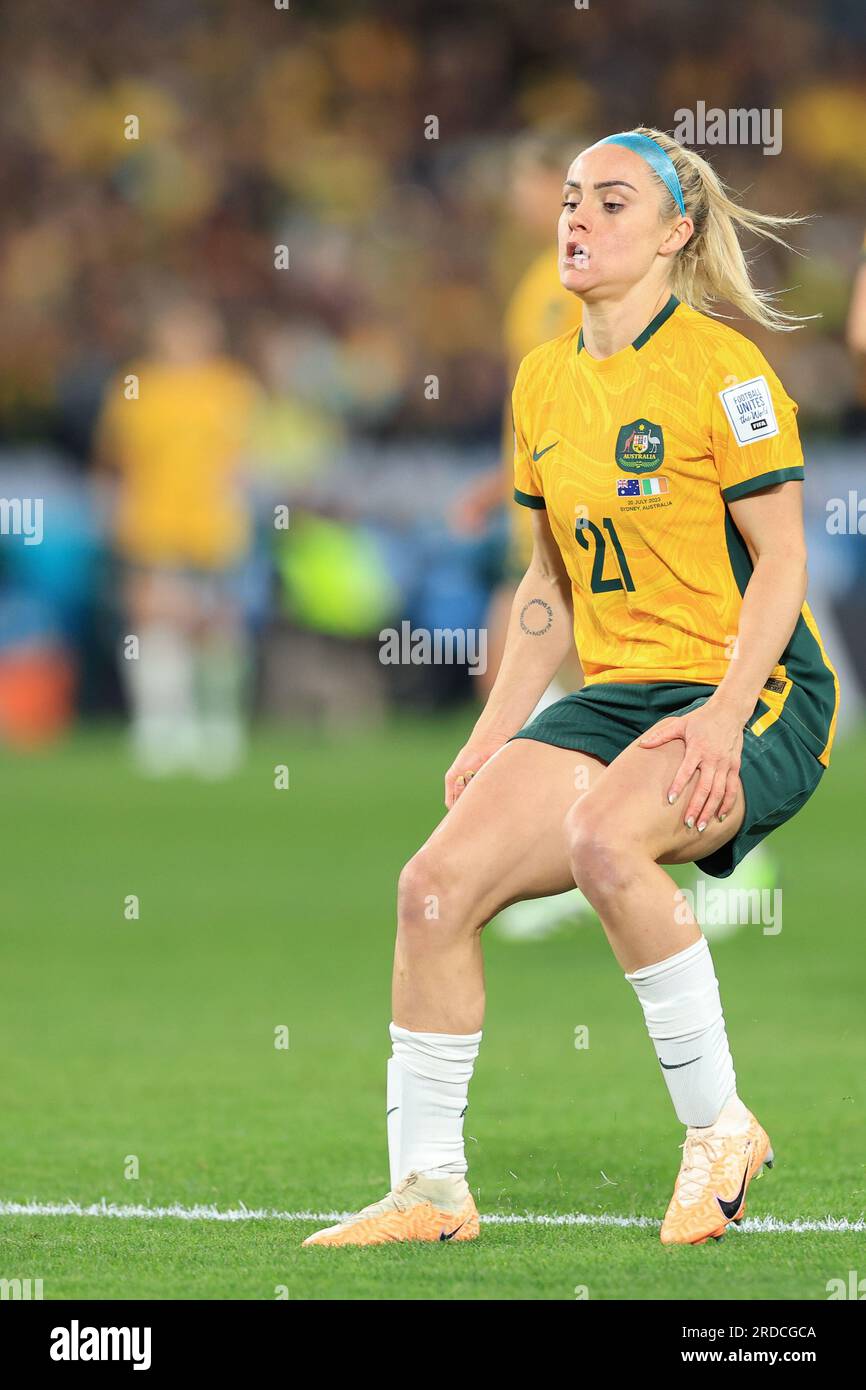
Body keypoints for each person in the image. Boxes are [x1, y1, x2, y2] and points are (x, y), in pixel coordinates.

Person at [303, 128, 839, 1249]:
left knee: (604, 837)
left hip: (755, 686)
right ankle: (429, 1188)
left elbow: (783, 563)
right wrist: (498, 728)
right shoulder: (543, 377)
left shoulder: (722, 367)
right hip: (619, 688)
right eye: (567, 199)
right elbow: (547, 580)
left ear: (674, 234)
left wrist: (722, 716)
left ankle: (719, 1130)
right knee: (432, 887)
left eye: (608, 202)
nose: (575, 220)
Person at [96, 295, 259, 777]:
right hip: (154, 521)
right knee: (156, 624)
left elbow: (244, 460)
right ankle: (162, 728)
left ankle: (219, 728)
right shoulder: (137, 387)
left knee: (216, 628)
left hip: (214, 524)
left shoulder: (231, 386)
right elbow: (117, 459)